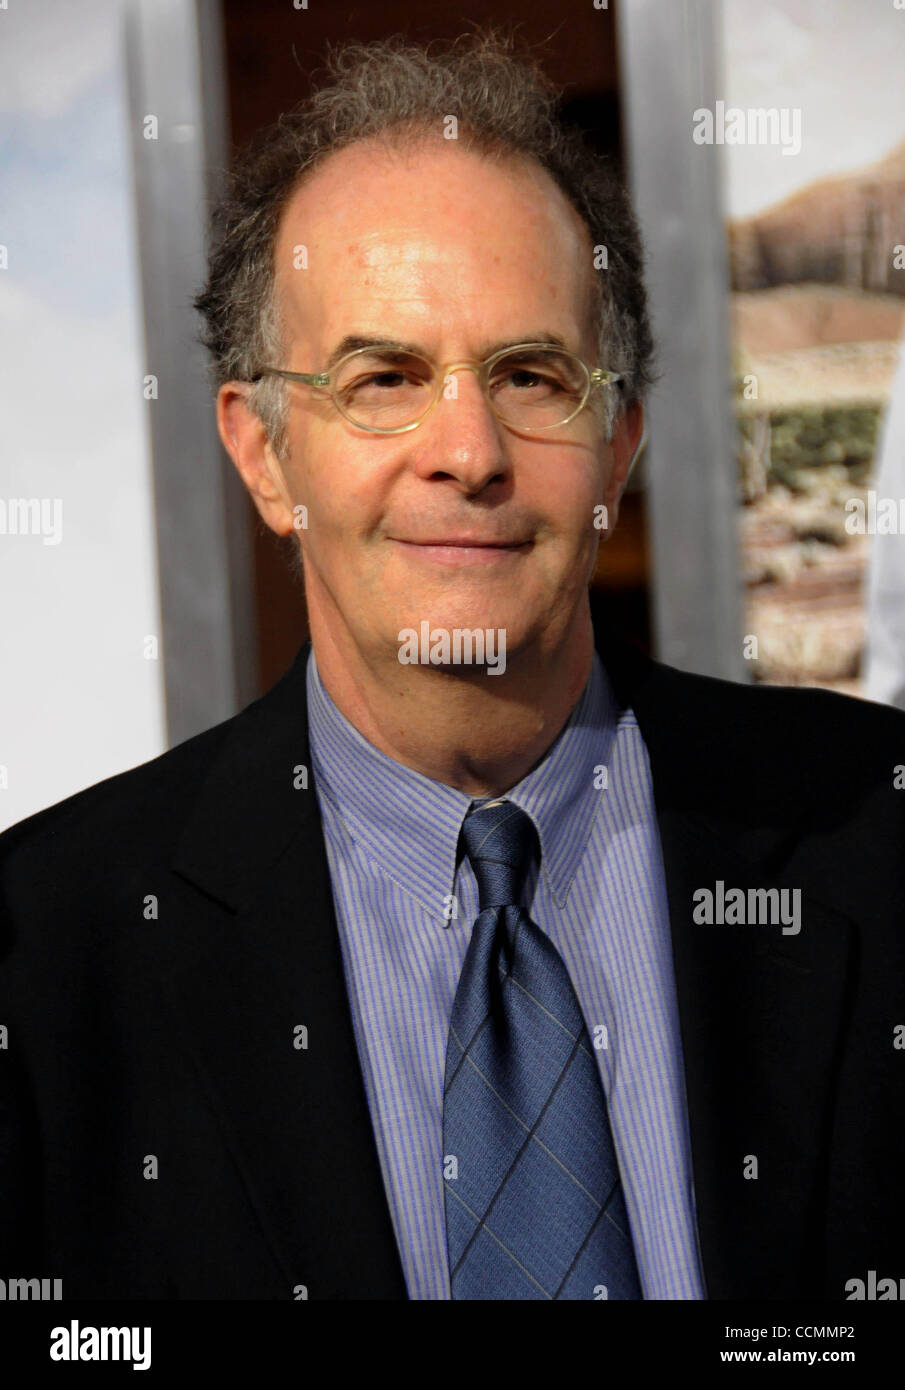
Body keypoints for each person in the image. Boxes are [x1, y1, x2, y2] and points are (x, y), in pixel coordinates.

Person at [1, 31, 903, 1302]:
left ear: (619, 439)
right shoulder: (45, 953)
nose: (466, 450)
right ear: (263, 453)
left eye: (532, 375)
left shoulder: (876, 831)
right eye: (383, 378)